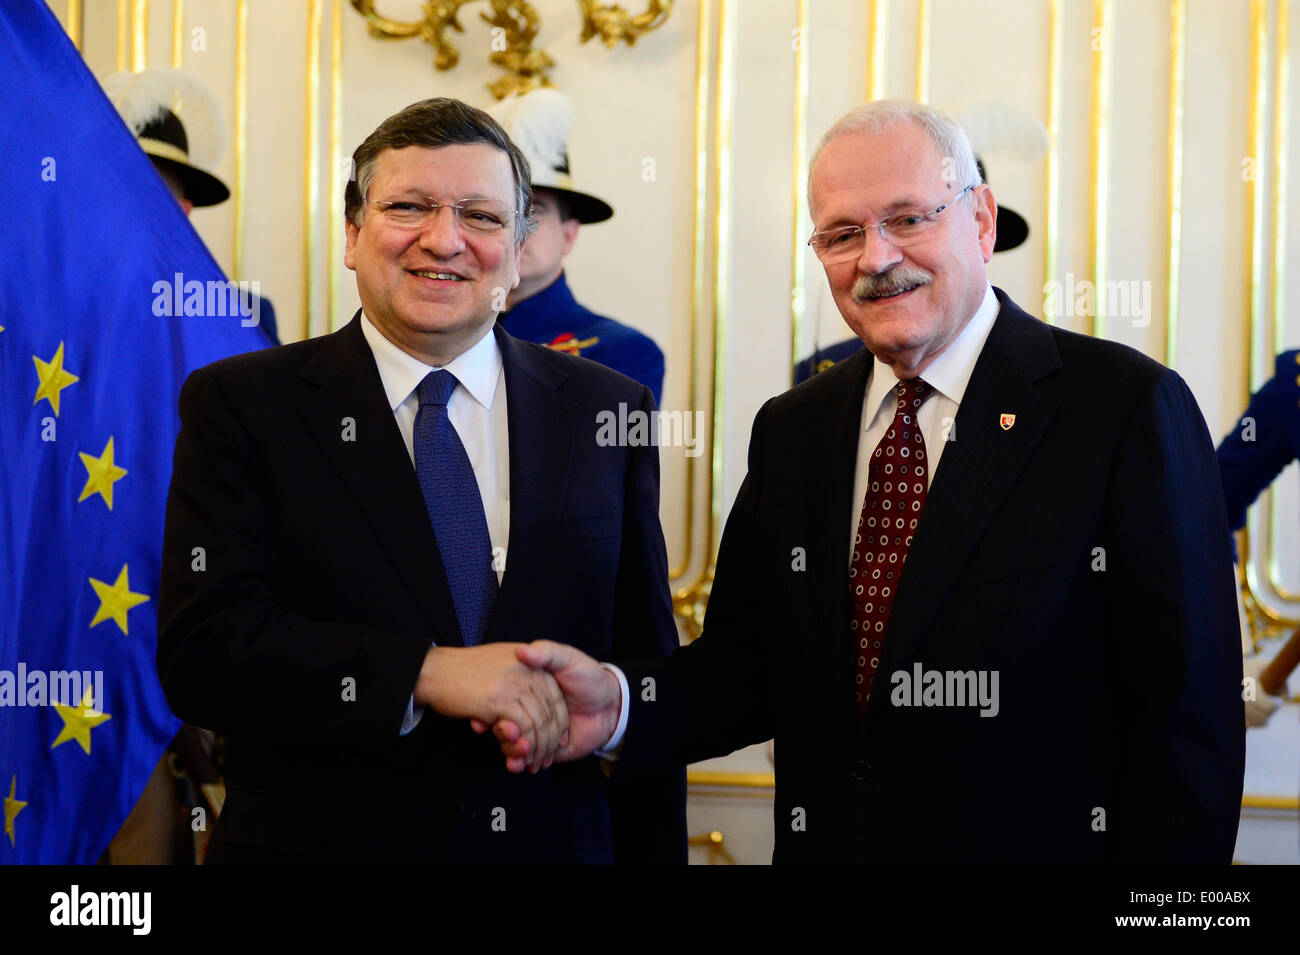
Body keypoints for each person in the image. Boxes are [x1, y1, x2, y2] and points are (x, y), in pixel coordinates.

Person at [499, 99, 1247, 864]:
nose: (877, 258)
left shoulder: (1121, 407)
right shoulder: (793, 428)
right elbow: (746, 670)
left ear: (982, 221)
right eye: (843, 234)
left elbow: (1189, 720)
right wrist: (622, 704)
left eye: (909, 219)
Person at [156, 97, 685, 864]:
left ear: (516, 245)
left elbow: (645, 671)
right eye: (408, 206)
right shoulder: (242, 405)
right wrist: (427, 672)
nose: (445, 239)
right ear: (351, 233)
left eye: (481, 215)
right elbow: (204, 654)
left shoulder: (607, 407)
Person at [487, 89, 665, 405]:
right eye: (494, 210)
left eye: (534, 209)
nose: (515, 228)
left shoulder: (622, 352)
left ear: (568, 236)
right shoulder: (437, 336)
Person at [102, 68, 279, 343]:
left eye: (153, 193)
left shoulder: (243, 314)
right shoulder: (53, 300)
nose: (133, 208)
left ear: (183, 212)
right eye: (123, 190)